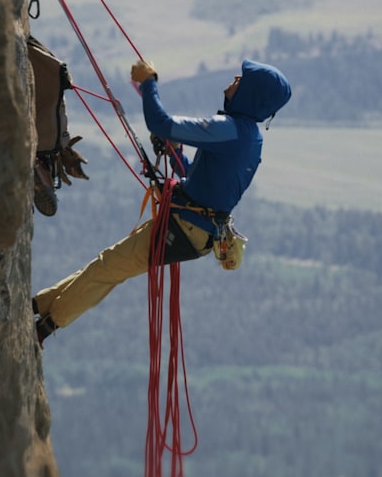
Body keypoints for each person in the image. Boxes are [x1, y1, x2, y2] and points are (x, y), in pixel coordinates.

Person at [32, 57, 292, 346]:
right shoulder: (250, 137)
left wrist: (149, 84)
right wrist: (174, 152)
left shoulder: (229, 129)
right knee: (107, 265)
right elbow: (198, 177)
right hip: (193, 229)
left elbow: (162, 123)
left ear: (251, 95)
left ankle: (44, 327)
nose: (235, 79)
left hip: (185, 227)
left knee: (107, 269)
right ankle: (37, 306)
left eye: (242, 80)